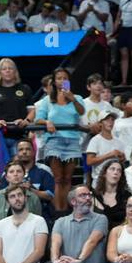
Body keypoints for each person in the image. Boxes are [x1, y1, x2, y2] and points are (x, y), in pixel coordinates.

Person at [34, 70, 86, 213]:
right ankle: (58, 212)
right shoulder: (47, 100)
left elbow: (81, 112)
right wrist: (47, 122)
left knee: (68, 178)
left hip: (72, 141)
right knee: (58, 178)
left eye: (65, 78)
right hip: (54, 141)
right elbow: (37, 119)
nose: (62, 80)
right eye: (59, 78)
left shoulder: (77, 98)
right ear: (54, 81)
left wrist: (73, 99)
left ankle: (67, 211)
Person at [0, 185, 49, 263]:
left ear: (25, 198)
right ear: (8, 202)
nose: (17, 198)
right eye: (12, 196)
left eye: (19, 195)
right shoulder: (1, 224)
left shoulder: (38, 221)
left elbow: (39, 251)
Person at [52, 186, 110, 263]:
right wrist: (55, 259)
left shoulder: (100, 219)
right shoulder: (60, 222)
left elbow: (92, 241)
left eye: (89, 195)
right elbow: (55, 243)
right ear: (73, 201)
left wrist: (79, 259)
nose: (88, 198)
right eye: (83, 195)